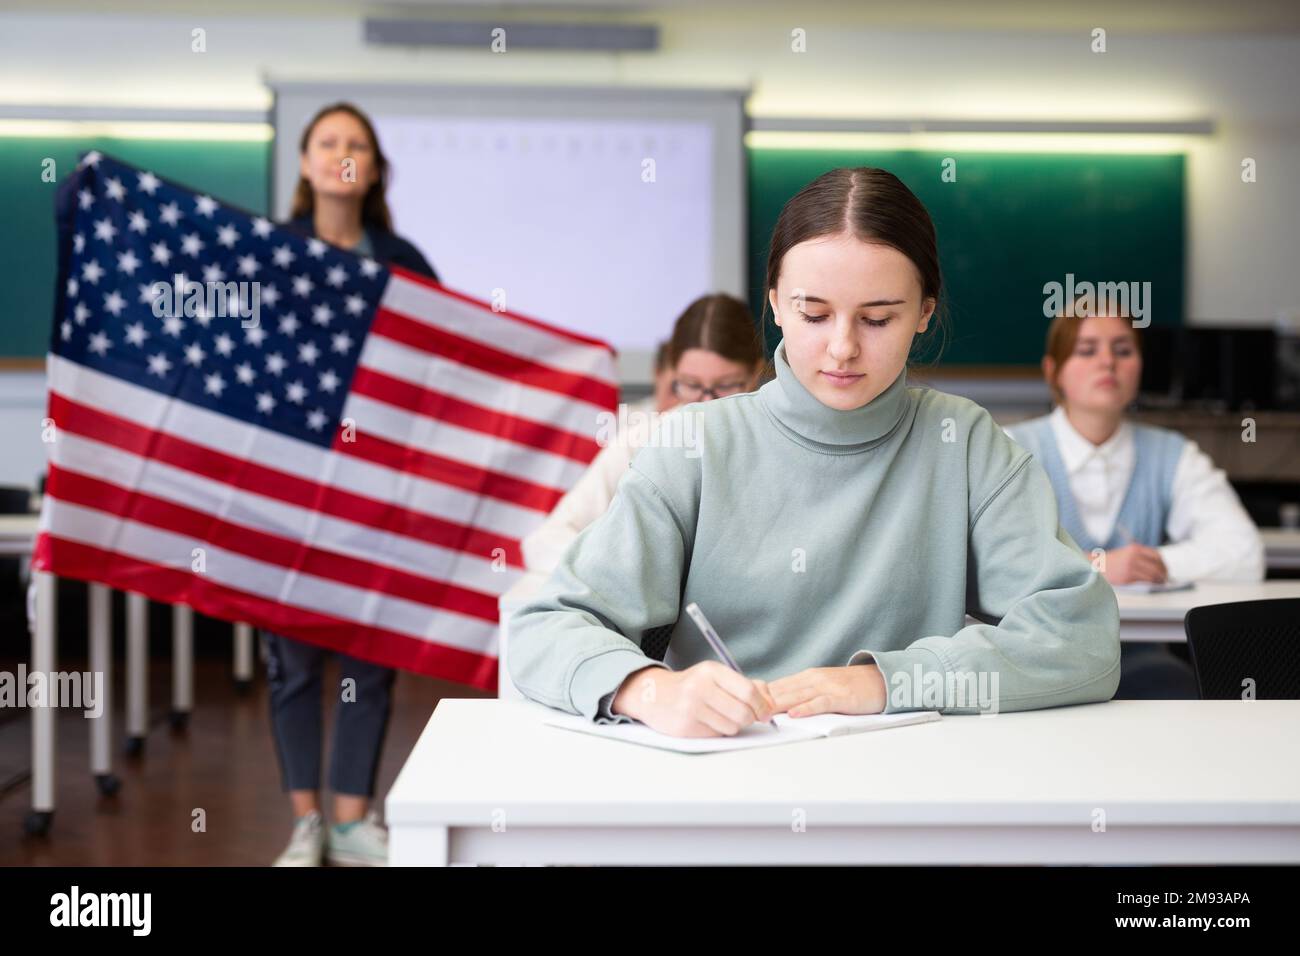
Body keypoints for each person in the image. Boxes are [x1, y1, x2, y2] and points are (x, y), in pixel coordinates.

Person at [507, 167, 1120, 738]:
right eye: (814, 313)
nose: (842, 348)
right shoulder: (692, 446)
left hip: (905, 798)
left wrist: (880, 683)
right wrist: (646, 688)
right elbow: (544, 627)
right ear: (774, 302)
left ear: (925, 313)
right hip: (727, 792)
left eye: (878, 319)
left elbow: (1082, 640)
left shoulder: (965, 444)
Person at [269, 102, 438, 866]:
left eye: (357, 144)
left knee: (370, 656)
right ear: (306, 163)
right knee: (295, 660)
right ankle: (306, 823)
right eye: (327, 142)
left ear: (371, 168)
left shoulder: (404, 259)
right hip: (289, 490)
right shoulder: (270, 255)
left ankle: (349, 820)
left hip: (378, 491)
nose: (342, 154)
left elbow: (447, 362)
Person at [1006, 305, 1264, 698]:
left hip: (1142, 661)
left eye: (1123, 350)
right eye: (1087, 349)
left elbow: (1245, 553)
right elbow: (995, 562)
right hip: (1035, 656)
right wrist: (1099, 566)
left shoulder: (1173, 454)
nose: (1108, 361)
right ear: (1052, 369)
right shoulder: (1011, 448)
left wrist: (1155, 563)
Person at [521, 294, 763, 573]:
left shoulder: (779, 443)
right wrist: (616, 579)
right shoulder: (644, 439)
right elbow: (545, 542)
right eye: (691, 385)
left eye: (726, 386)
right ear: (671, 374)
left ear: (756, 374)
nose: (705, 404)